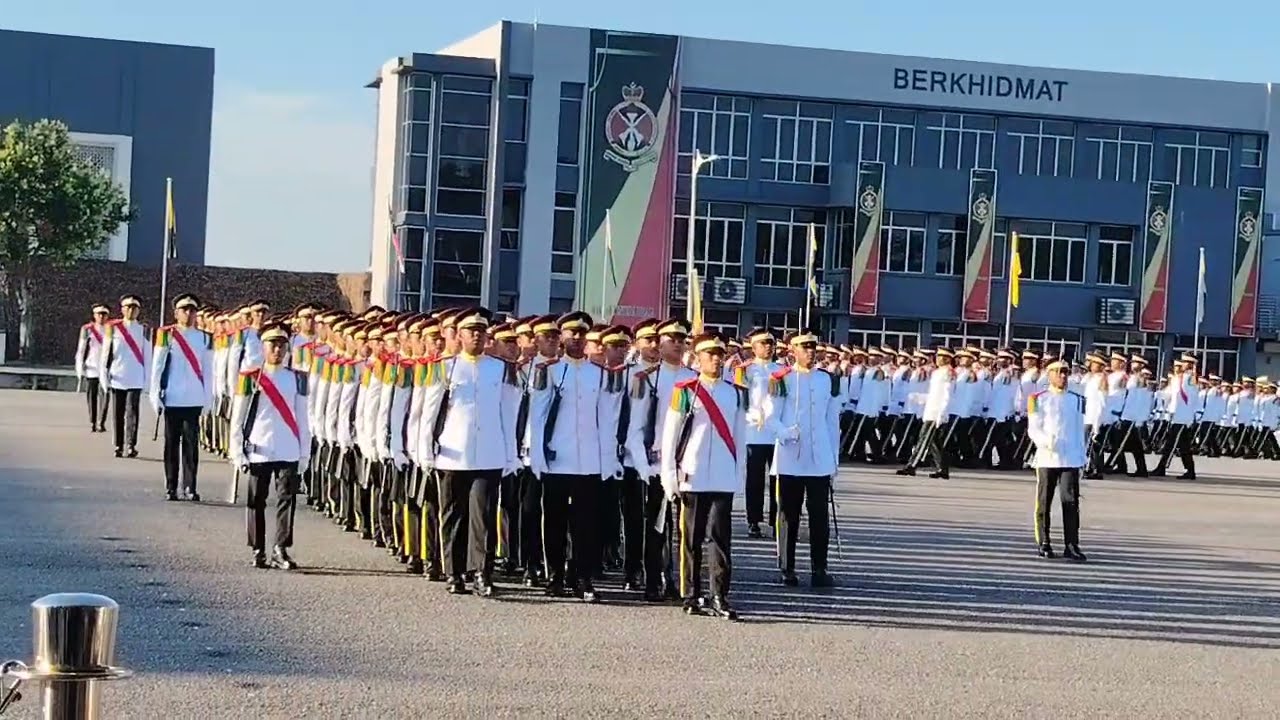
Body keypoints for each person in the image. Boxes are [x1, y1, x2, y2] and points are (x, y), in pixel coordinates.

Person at [417, 307, 522, 596]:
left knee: (484, 516)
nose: (476, 335)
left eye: (481, 331)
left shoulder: (501, 368)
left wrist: (510, 454)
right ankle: (454, 572)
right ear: (460, 336)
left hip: (489, 453)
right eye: (470, 331)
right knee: (453, 515)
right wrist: (425, 450)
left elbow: (508, 414)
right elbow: (429, 413)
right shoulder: (444, 367)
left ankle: (481, 572)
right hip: (453, 453)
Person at [528, 311, 625, 603]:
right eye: (571, 333)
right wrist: (536, 455)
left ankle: (583, 577)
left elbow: (607, 420)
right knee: (555, 522)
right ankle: (556, 575)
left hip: (589, 462)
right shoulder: (550, 370)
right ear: (562, 337)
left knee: (586, 524)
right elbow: (538, 415)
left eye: (582, 334)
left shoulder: (600, 373)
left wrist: (608, 459)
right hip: (558, 458)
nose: (577, 339)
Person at [659, 331, 747, 620]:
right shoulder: (685, 390)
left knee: (720, 539)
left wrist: (740, 474)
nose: (716, 360)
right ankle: (691, 593)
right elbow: (671, 435)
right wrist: (668, 475)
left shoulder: (735, 393)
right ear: (698, 358)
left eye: (720, 355)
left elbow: (740, 436)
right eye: (710, 355)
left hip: (722, 474)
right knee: (691, 538)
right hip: (692, 473)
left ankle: (720, 594)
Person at [762, 330, 841, 588]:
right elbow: (770, 417)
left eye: (812, 347)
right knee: (789, 515)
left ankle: (820, 568)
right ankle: (787, 567)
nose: (810, 352)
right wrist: (785, 433)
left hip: (819, 458)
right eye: (804, 347)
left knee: (819, 516)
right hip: (791, 457)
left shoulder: (827, 379)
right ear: (792, 350)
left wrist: (834, 459)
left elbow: (832, 421)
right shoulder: (782, 379)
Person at [230, 323, 311, 570]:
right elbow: (238, 417)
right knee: (256, 500)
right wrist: (237, 451)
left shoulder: (297, 378)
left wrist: (304, 452)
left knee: (287, 499)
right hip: (260, 447)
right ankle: (258, 548)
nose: (277, 350)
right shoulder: (250, 377)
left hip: (288, 447)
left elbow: (303, 418)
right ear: (263, 347)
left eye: (282, 345)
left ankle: (280, 548)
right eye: (272, 344)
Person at [150, 294, 214, 501]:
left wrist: (208, 398)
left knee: (191, 445)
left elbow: (208, 371)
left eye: (192, 310)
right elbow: (157, 367)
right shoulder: (166, 334)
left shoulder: (205, 338)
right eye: (184, 310)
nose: (188, 313)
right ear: (176, 313)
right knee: (171, 445)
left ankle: (190, 486)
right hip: (172, 397)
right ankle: (171, 486)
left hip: (194, 398)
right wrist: (155, 396)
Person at [1026, 359, 1087, 561]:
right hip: (1048, 457)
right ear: (1049, 374)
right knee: (1044, 502)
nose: (1062, 376)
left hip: (1070, 458)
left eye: (1065, 372)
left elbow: (1079, 430)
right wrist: (1046, 441)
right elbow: (1033, 428)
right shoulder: (1038, 398)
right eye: (1058, 372)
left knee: (1070, 502)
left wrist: (1082, 455)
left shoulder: (1077, 399)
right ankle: (1044, 542)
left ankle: (1072, 544)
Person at [736, 328, 780, 538]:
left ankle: (777, 519)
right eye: (763, 343)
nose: (768, 347)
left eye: (771, 343)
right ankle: (753, 520)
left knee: (778, 479)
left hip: (776, 432)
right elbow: (740, 402)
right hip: (754, 431)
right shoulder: (745, 370)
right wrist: (752, 416)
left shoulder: (782, 370)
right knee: (755, 479)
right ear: (753, 348)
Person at [100, 294, 150, 458]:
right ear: (122, 309)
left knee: (132, 413)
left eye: (135, 308)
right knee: (118, 412)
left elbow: (148, 356)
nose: (131, 310)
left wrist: (148, 380)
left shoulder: (144, 330)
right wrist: (104, 375)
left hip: (135, 376)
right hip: (118, 376)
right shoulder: (113, 328)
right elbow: (106, 353)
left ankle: (130, 444)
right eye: (128, 307)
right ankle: (118, 444)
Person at [75, 303, 112, 432]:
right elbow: (81, 349)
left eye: (104, 314)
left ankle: (101, 422)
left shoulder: (112, 329)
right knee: (92, 395)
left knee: (105, 394)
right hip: (92, 366)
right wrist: (80, 365)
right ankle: (93, 421)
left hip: (106, 367)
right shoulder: (87, 329)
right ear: (94, 315)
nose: (101, 317)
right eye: (99, 314)